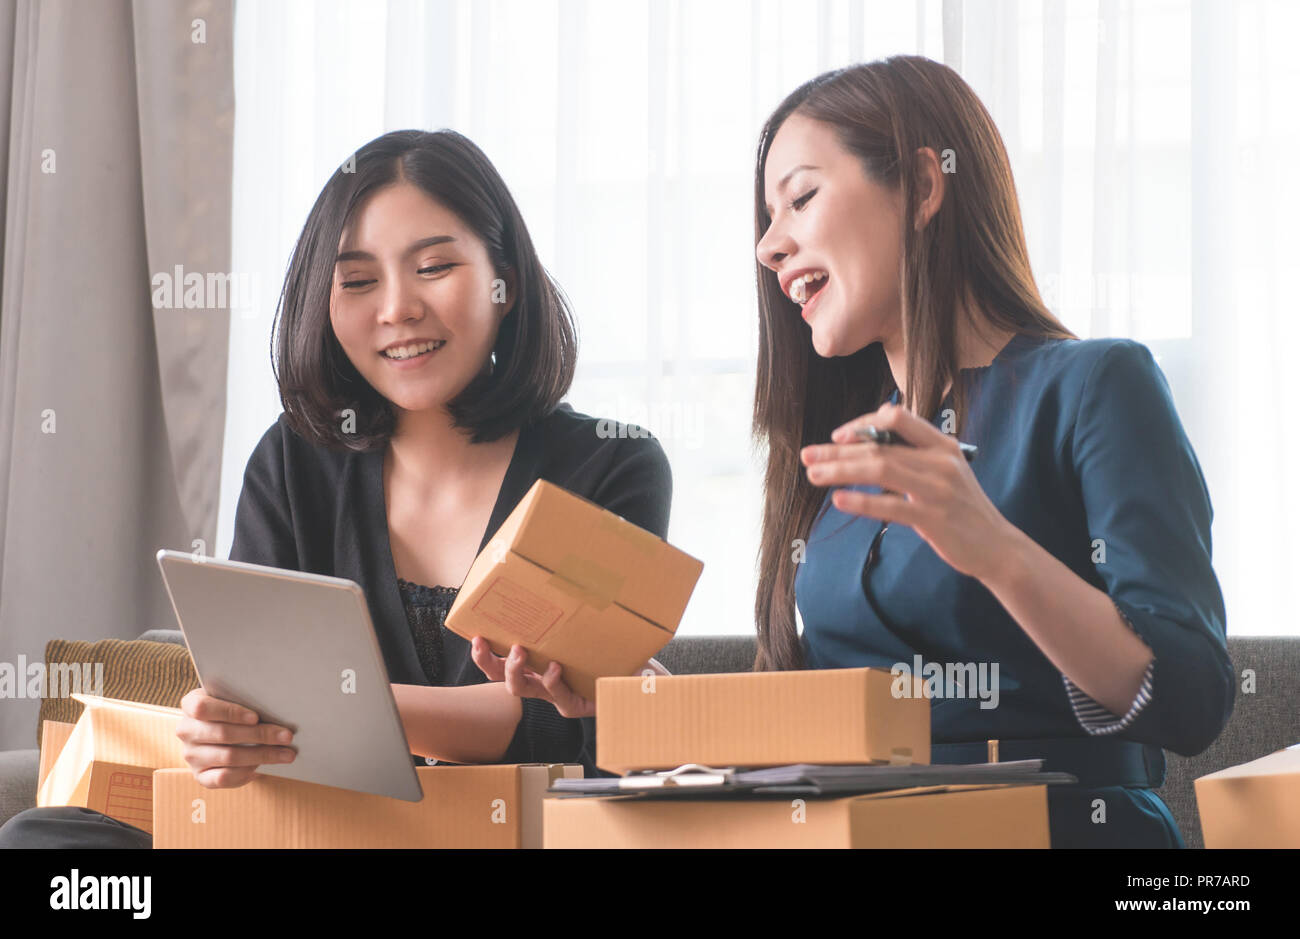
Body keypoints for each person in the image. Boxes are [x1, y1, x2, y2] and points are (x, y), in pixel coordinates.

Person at [0, 129, 670, 848]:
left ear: (506, 281)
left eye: (435, 266)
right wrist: (222, 731)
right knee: (45, 837)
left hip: (509, 833)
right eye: (358, 280)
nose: (398, 308)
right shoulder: (292, 462)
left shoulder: (610, 465)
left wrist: (327, 709)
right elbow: (252, 688)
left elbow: (555, 716)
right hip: (317, 831)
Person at [750, 56, 1232, 848]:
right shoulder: (841, 449)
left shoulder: (1095, 386)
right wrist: (635, 697)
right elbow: (812, 734)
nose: (771, 246)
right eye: (769, 219)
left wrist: (996, 550)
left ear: (924, 187)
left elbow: (1192, 697)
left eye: (801, 197)